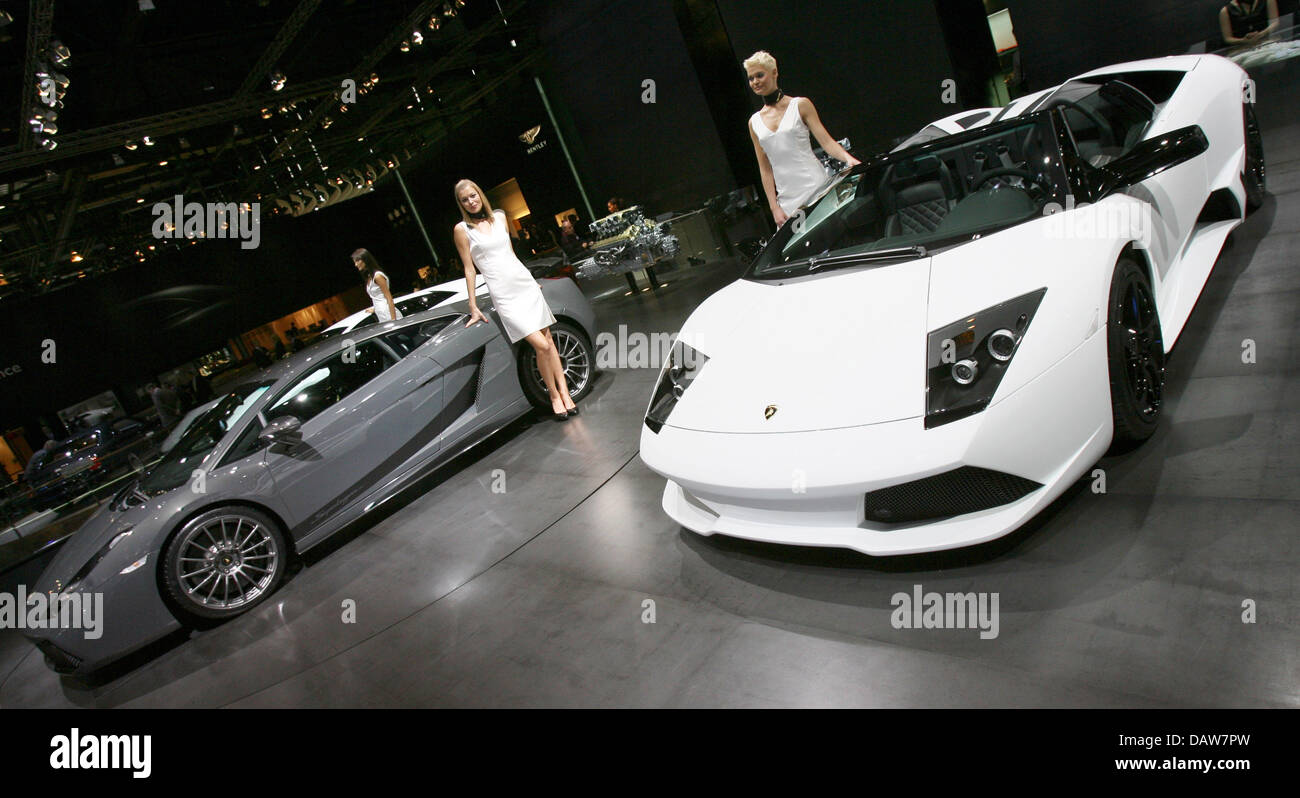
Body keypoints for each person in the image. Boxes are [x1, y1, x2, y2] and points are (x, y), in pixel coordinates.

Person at [452, 179, 578, 421]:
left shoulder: (499, 217)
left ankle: (565, 393)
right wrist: (473, 305)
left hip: (524, 285)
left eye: (473, 195)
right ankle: (553, 395)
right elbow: (469, 269)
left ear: (480, 195)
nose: (471, 201)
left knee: (549, 342)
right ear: (461, 204)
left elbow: (510, 254)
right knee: (540, 345)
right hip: (504, 295)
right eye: (465, 199)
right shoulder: (462, 230)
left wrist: (530, 279)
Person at [743, 50, 860, 226]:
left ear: (774, 72)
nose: (755, 82)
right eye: (751, 78)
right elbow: (765, 168)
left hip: (816, 187)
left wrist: (849, 159)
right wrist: (774, 207)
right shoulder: (754, 122)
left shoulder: (800, 105)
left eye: (760, 75)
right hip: (787, 201)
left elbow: (826, 142)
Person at [351, 247, 401, 322]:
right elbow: (378, 298)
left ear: (365, 259)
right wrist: (375, 309)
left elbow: (389, 298)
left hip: (389, 313)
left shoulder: (377, 276)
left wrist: (394, 320)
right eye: (354, 262)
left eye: (357, 261)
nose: (356, 264)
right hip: (381, 314)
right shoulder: (369, 277)